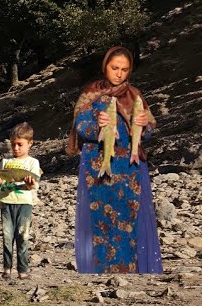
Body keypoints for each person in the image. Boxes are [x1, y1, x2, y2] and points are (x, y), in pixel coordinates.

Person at [68, 46, 162, 274]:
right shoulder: (91, 93)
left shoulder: (135, 95)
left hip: (129, 166)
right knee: (100, 215)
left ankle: (129, 267)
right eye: (114, 68)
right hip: (97, 164)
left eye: (124, 69)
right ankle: (100, 268)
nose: (119, 73)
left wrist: (143, 125)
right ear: (105, 67)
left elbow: (148, 131)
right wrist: (97, 126)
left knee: (127, 213)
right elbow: (80, 127)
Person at [0, 123, 42, 281]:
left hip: (24, 204)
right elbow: (1, 184)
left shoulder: (33, 163)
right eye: (13, 145)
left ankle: (22, 270)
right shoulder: (5, 162)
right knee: (7, 237)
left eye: (20, 144)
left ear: (30, 143)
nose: (16, 148)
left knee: (22, 236)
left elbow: (34, 185)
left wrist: (29, 183)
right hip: (6, 202)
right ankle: (7, 268)